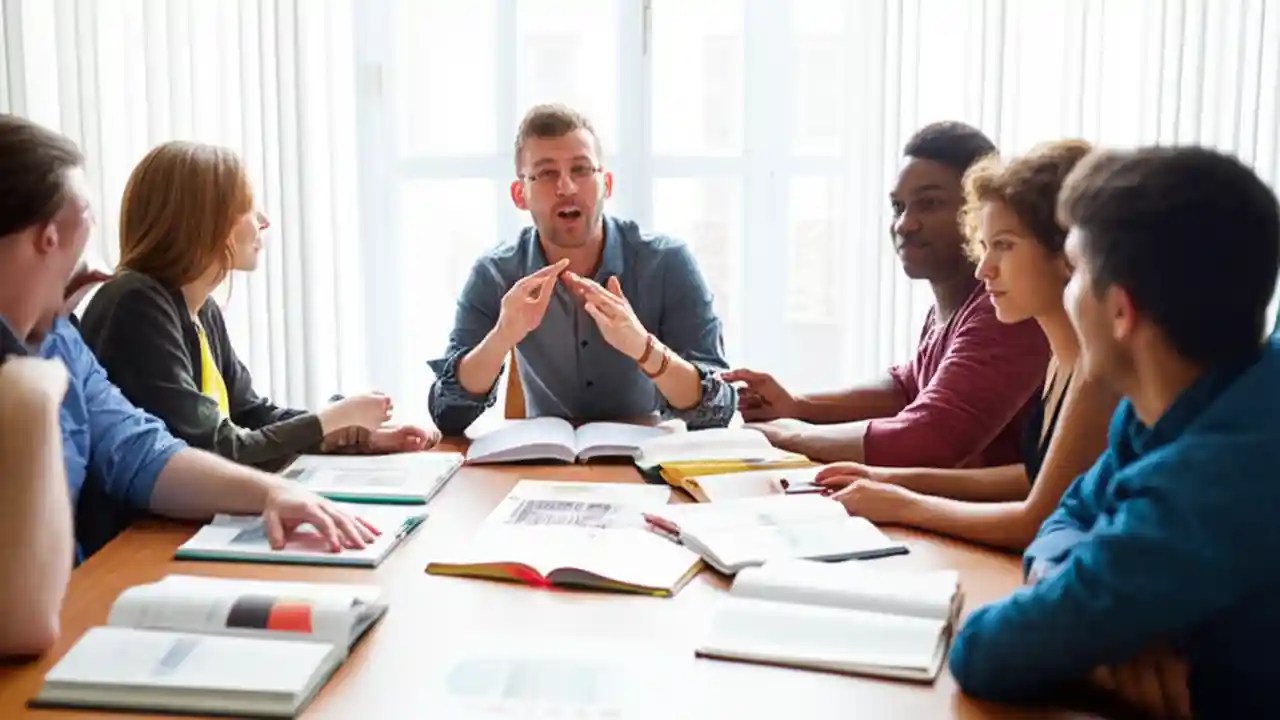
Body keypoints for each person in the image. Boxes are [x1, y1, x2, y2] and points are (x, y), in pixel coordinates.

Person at [0, 114, 375, 657]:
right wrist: (31, 397)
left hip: (81, 610)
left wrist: (274, 491)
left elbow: (141, 450)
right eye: (82, 233)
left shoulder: (58, 338)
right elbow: (24, 624)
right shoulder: (45, 364)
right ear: (48, 238)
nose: (92, 268)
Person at [950, 146, 1280, 719]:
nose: (1069, 292)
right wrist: (1100, 615)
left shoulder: (1213, 479)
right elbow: (1068, 516)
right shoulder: (1164, 404)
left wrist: (1088, 636)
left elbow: (983, 650)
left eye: (1077, 273)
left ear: (1121, 312)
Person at [815, 141, 1119, 550]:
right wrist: (890, 480)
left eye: (1005, 245)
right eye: (984, 246)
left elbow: (1036, 519)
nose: (983, 269)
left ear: (1066, 251)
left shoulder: (1098, 371)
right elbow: (1039, 476)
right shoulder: (1060, 360)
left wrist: (906, 503)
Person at [80, 142, 437, 472]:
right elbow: (217, 450)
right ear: (206, 221)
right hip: (137, 533)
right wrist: (329, 421)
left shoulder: (199, 308)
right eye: (248, 209)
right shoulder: (136, 304)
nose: (263, 220)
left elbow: (250, 414)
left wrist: (354, 433)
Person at [727, 122, 1050, 468]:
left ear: (977, 213)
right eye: (898, 207)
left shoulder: (1004, 311)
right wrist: (798, 405)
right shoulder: (951, 308)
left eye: (928, 203)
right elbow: (910, 387)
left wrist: (788, 435)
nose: (904, 224)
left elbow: (932, 437)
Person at [428, 104, 735, 435]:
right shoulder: (495, 272)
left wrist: (643, 347)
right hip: (542, 468)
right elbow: (448, 414)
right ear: (520, 194)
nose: (567, 188)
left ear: (607, 184)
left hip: (647, 467)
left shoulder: (668, 262)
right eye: (546, 173)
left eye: (581, 169)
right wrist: (501, 337)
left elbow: (718, 408)